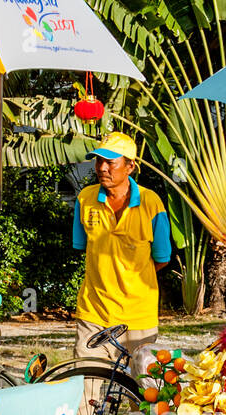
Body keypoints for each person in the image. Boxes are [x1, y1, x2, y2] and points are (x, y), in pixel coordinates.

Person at [71, 131, 171, 360]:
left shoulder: (151, 203)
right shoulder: (85, 199)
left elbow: (162, 258)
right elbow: (83, 246)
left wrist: (131, 279)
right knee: (88, 384)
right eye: (99, 161)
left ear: (130, 166)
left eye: (110, 162)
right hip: (93, 312)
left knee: (142, 388)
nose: (102, 168)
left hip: (138, 316)